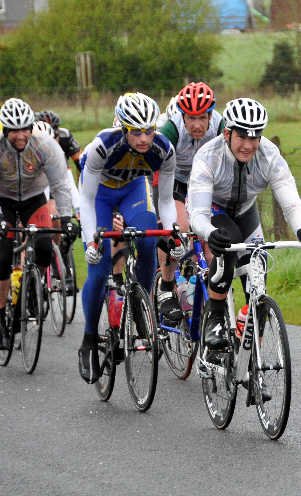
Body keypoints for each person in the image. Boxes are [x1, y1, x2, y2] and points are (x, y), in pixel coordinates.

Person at [187, 97, 301, 352]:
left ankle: (250, 363)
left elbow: (291, 202)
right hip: (214, 210)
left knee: (258, 279)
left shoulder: (270, 155)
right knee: (228, 242)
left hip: (247, 211)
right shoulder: (208, 157)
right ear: (227, 133)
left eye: (254, 137)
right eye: (241, 137)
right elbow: (198, 214)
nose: (248, 145)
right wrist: (209, 233)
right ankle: (214, 318)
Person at [77, 92, 184, 384]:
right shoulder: (103, 145)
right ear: (123, 128)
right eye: (136, 131)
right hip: (98, 195)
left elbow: (165, 200)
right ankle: (88, 339)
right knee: (98, 271)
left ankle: (141, 306)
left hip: (133, 190)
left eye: (149, 130)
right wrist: (91, 242)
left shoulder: (163, 149)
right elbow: (85, 199)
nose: (143, 138)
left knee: (149, 239)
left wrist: (173, 233)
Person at [0, 98, 77, 351]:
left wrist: (66, 219)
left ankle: (30, 292)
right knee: (2, 255)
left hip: (34, 198)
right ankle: (0, 318)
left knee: (44, 246)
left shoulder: (44, 146)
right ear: (5, 131)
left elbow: (61, 185)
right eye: (14, 130)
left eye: (25, 129)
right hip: (3, 200)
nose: (20, 135)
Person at [154, 83, 226, 326]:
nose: (197, 125)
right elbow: (156, 167)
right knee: (179, 228)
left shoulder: (220, 126)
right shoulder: (172, 128)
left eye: (202, 118)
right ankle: (166, 284)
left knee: (212, 241)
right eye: (191, 118)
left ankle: (210, 298)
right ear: (182, 116)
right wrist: (161, 215)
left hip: (206, 183)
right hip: (176, 181)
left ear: (211, 115)